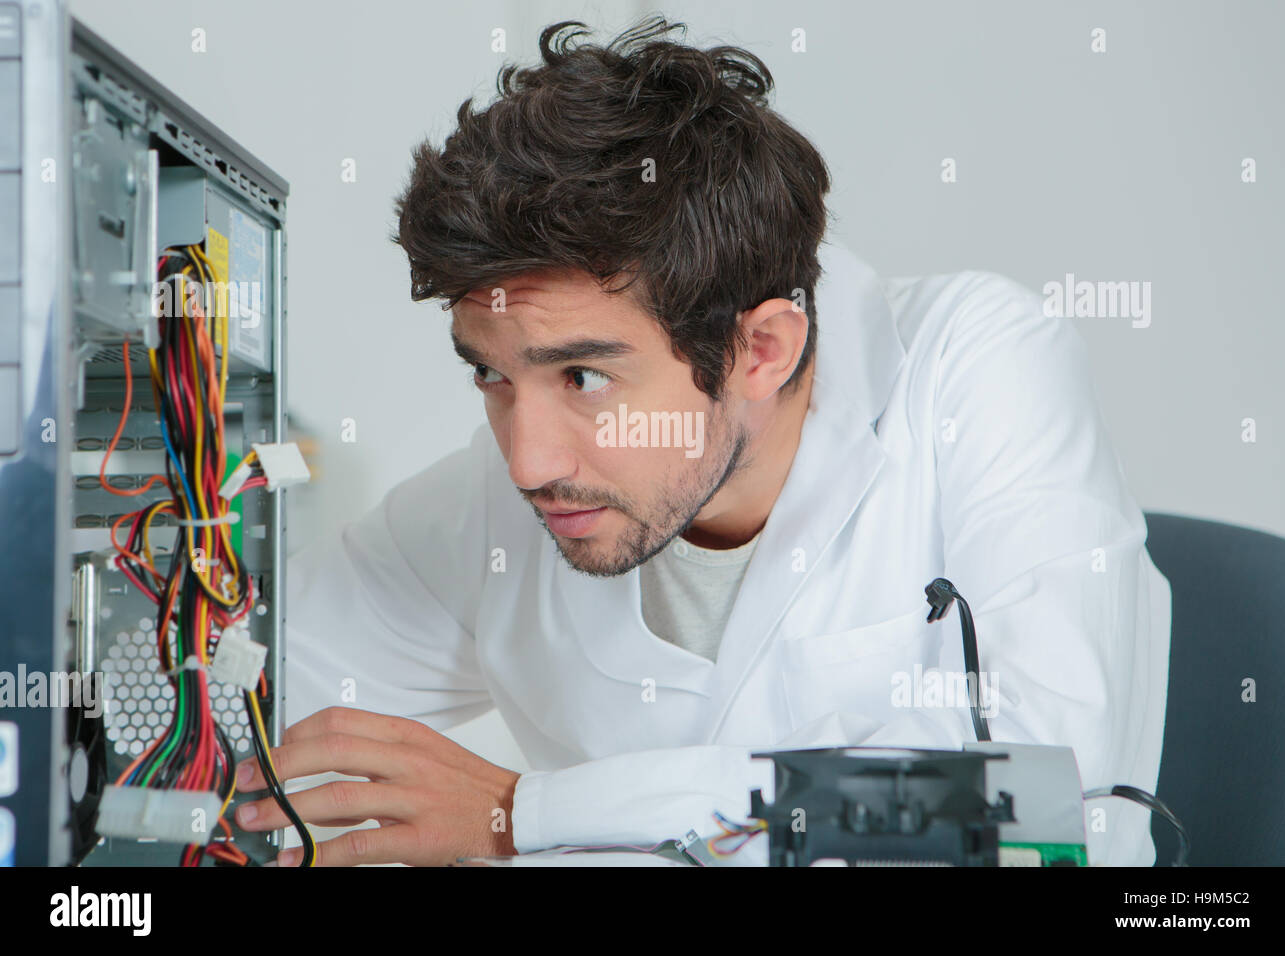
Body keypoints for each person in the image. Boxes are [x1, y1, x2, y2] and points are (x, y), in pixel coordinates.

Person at [233, 17, 1171, 867]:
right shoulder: (504, 494)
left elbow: (1063, 813)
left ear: (761, 349)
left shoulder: (975, 368)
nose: (529, 462)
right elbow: (239, 687)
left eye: (585, 379)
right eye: (491, 375)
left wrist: (526, 814)